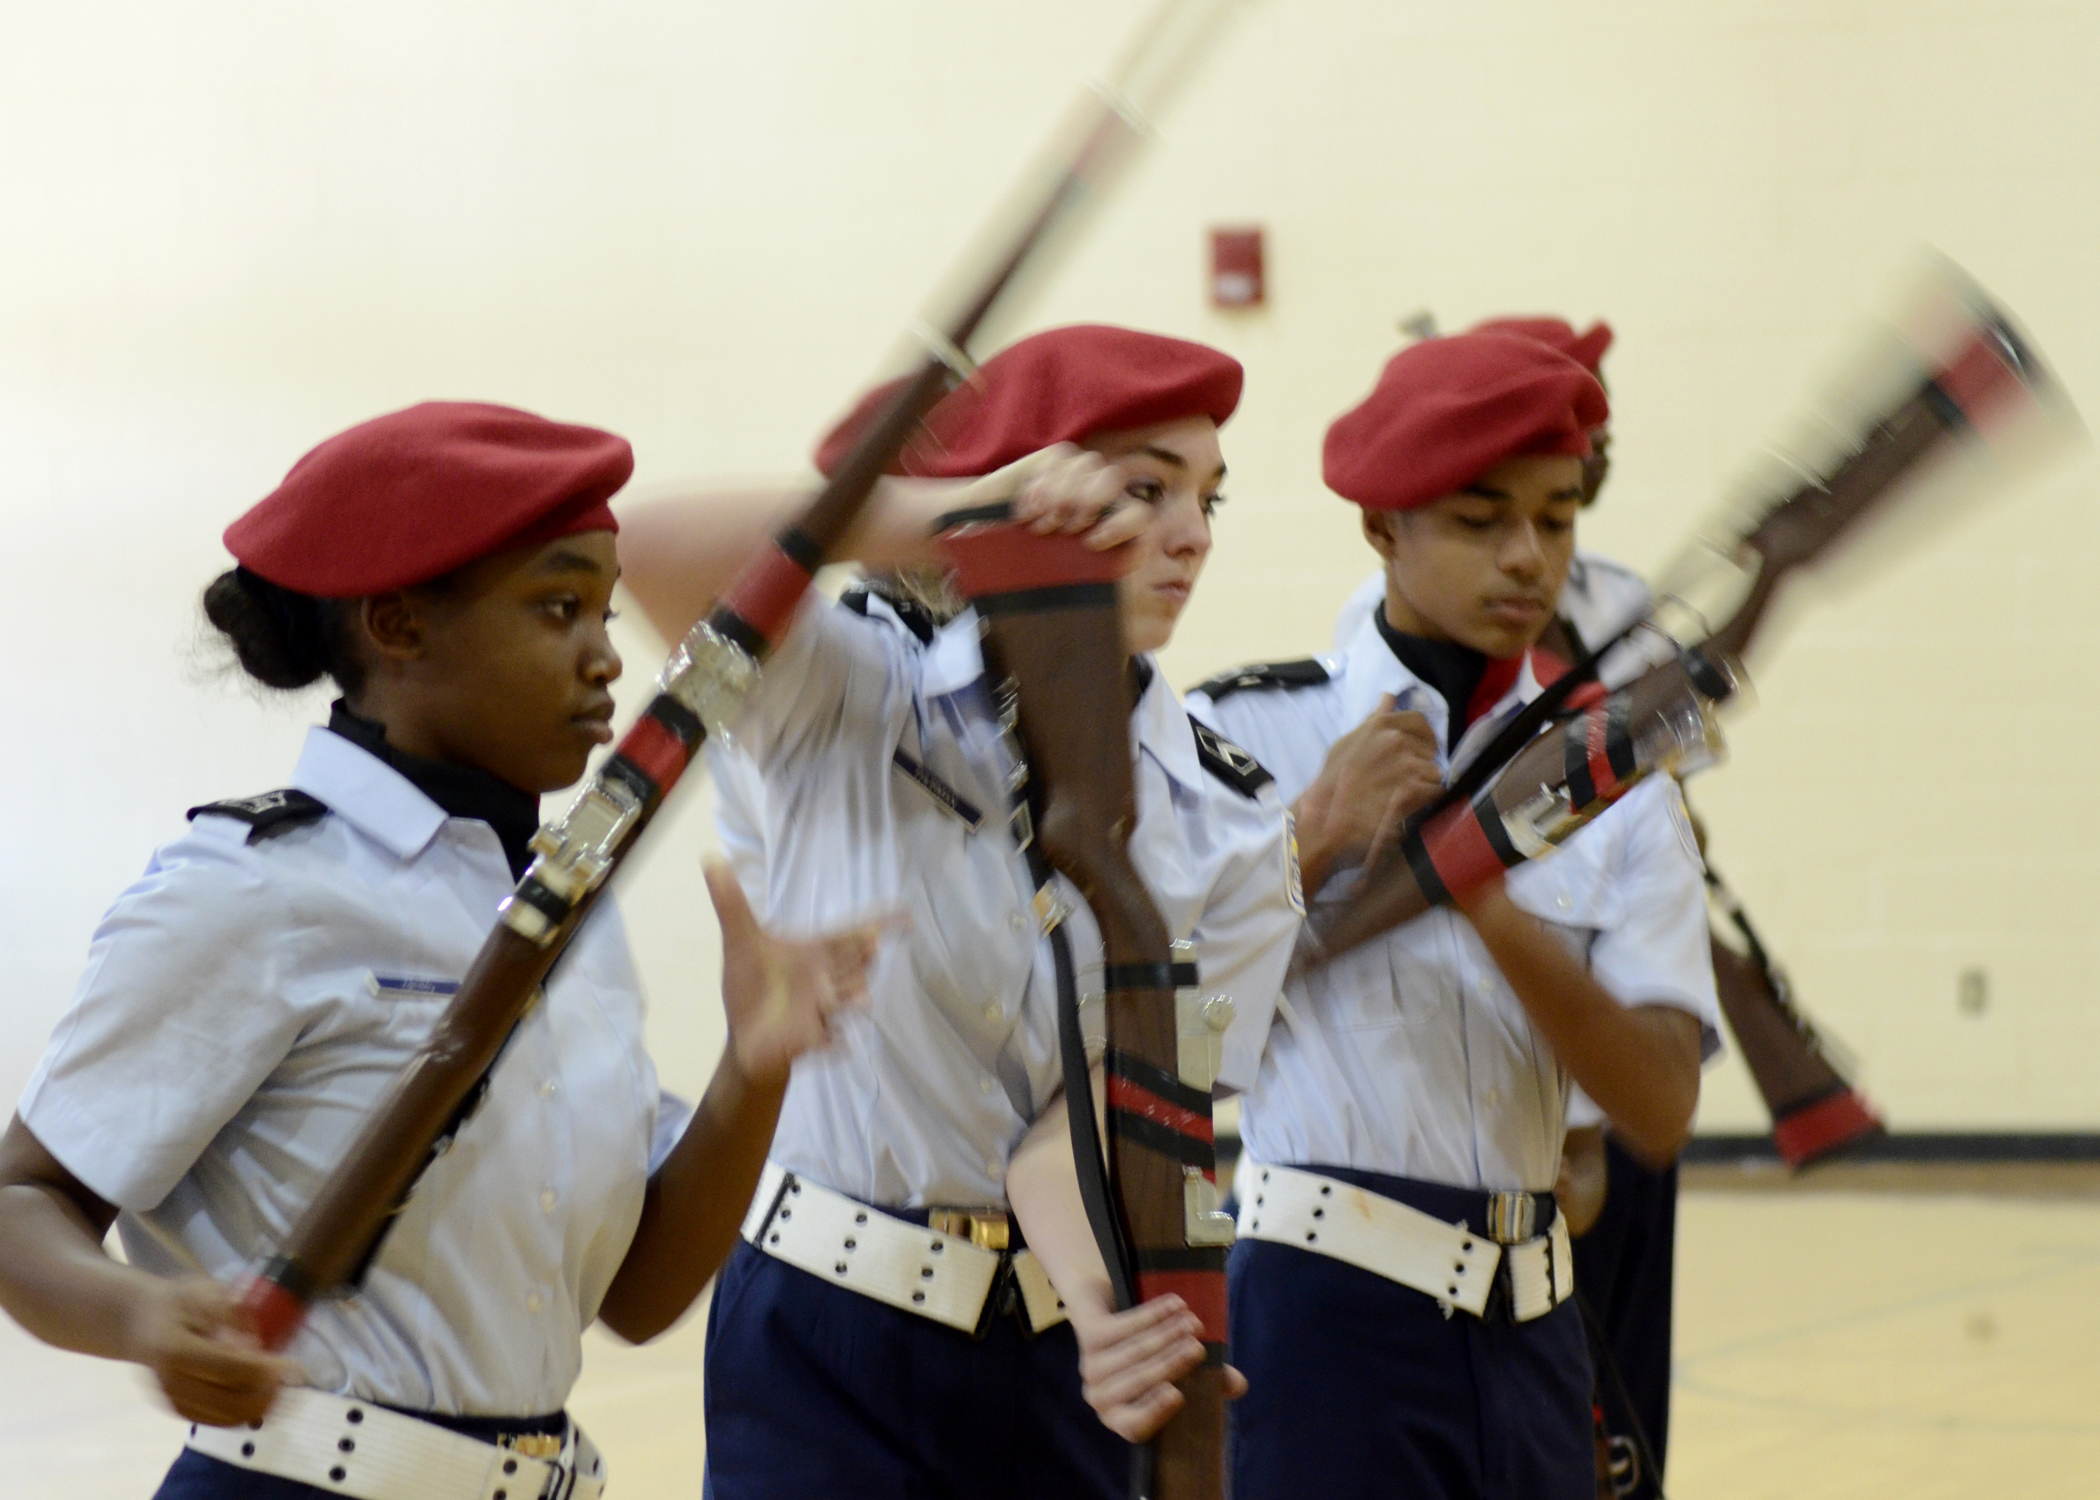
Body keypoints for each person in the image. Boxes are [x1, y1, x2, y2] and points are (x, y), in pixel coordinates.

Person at [0, 402, 884, 1500]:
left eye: (605, 612)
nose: (605, 659)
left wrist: (754, 1069)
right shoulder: (251, 891)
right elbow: (23, 1201)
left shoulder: (565, 909)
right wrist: (142, 1318)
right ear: (398, 627)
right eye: (557, 608)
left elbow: (640, 1296)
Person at [618, 324, 1312, 1500]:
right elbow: (641, 547)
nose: (1193, 534)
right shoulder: (844, 681)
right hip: (823, 1336)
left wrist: (1103, 1316)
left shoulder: (1232, 814)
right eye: (1144, 489)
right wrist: (949, 514)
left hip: (1048, 1353)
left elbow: (1093, 1111)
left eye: (1209, 498)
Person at [1186, 330, 1720, 1500]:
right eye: (1482, 522)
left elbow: (1660, 1104)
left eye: (1557, 518)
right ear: (1383, 526)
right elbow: (1168, 1043)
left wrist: (1486, 901)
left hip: (1535, 1336)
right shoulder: (1246, 738)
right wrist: (1310, 836)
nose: (1528, 558)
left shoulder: (1618, 784)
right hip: (1323, 1325)